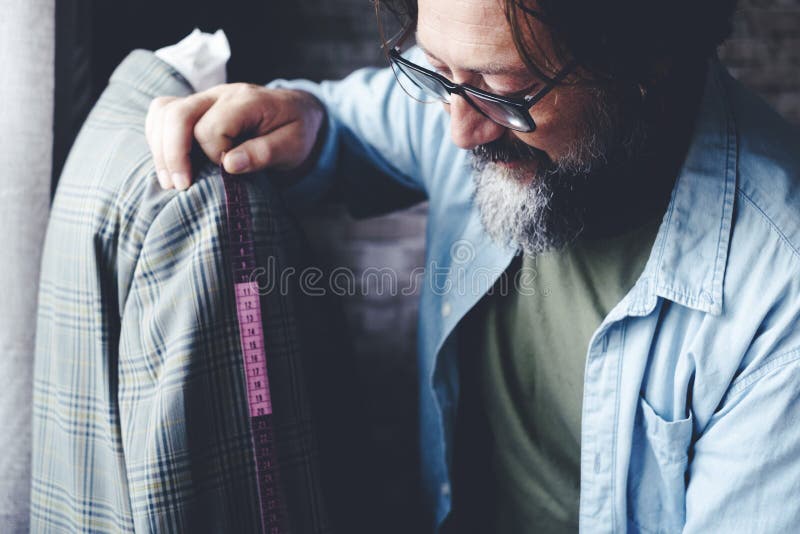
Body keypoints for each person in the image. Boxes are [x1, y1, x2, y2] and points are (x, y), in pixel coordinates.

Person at [145, 0, 800, 532]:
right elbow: (341, 124)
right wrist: (302, 123)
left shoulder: (779, 295)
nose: (457, 131)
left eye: (503, 91)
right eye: (435, 72)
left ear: (647, 58)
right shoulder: (469, 93)